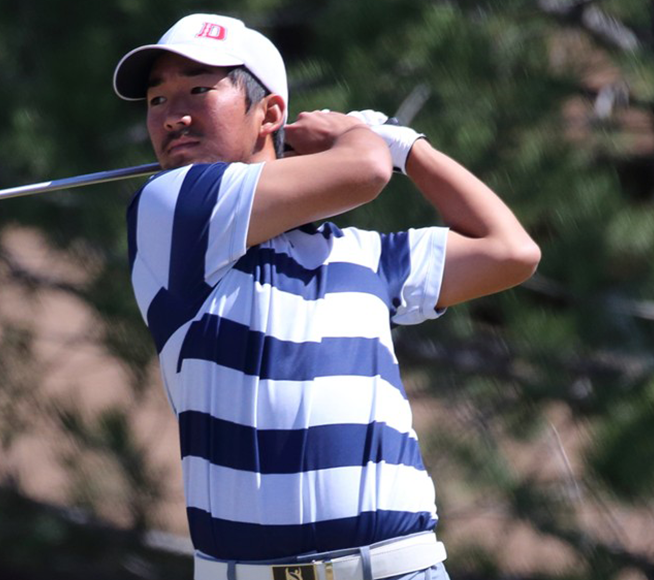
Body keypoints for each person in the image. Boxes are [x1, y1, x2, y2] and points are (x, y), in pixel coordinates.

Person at [113, 13, 541, 580]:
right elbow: (363, 171)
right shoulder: (170, 209)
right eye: (157, 99)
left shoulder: (364, 256)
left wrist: (406, 145)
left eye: (197, 89)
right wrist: (362, 139)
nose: (174, 115)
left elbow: (510, 251)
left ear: (268, 115)